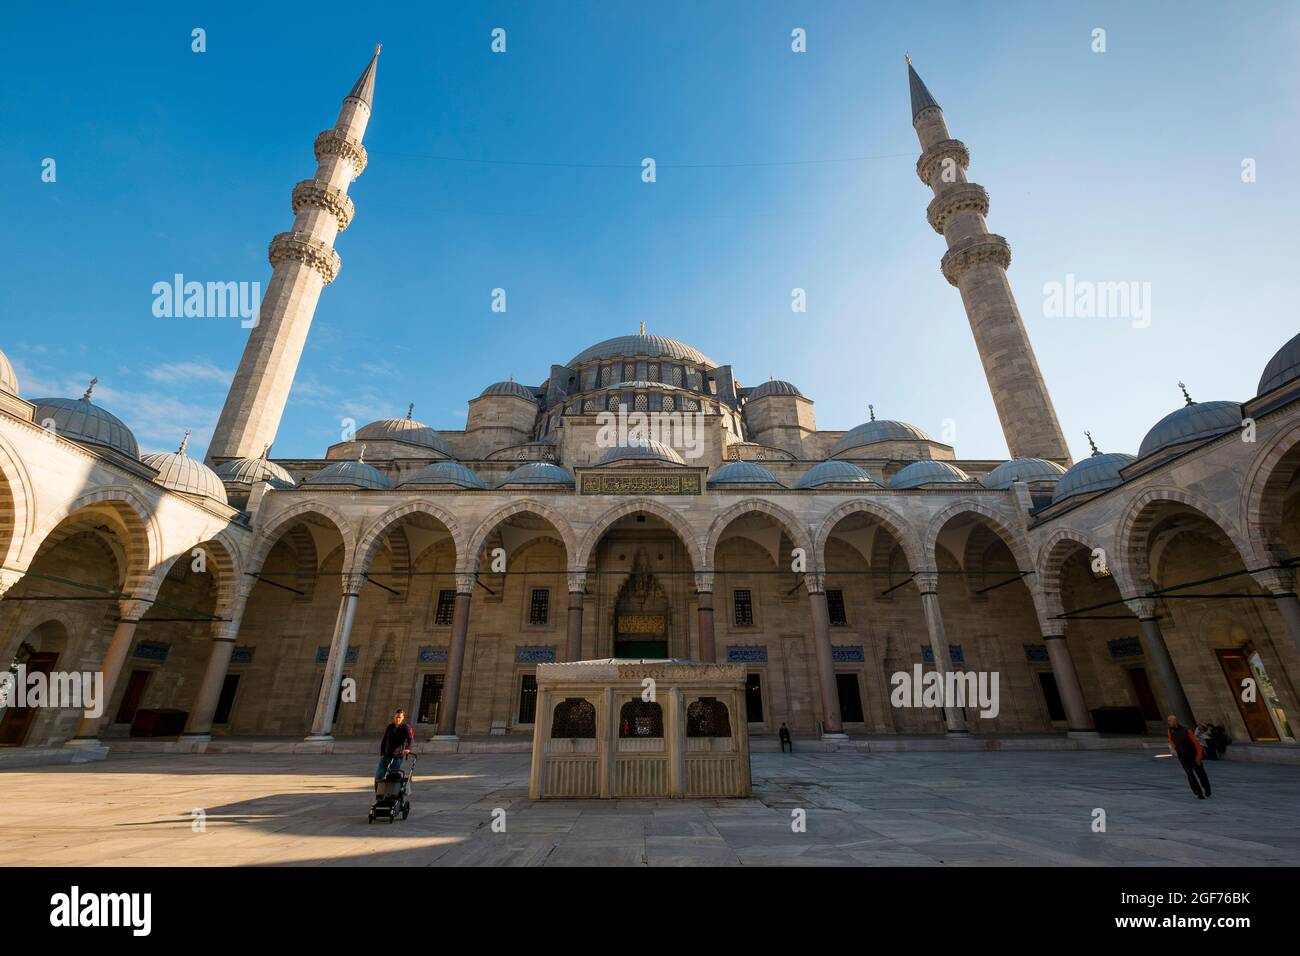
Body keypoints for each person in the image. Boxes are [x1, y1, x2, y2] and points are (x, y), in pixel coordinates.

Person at [1167, 714, 1211, 799]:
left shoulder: (1186, 730)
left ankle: (1207, 788)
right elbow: (1171, 740)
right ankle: (1198, 792)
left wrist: (1199, 756)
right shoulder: (1170, 730)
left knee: (1201, 774)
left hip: (1193, 755)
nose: (1169, 722)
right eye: (1168, 721)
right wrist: (1175, 749)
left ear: (1175, 721)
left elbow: (1196, 743)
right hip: (1183, 756)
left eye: (1170, 720)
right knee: (1190, 774)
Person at [376, 708, 414, 787]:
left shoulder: (405, 727)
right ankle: (378, 793)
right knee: (379, 776)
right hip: (386, 755)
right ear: (394, 717)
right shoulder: (390, 727)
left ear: (403, 718)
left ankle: (391, 794)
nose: (398, 719)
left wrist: (408, 748)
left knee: (392, 776)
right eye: (396, 717)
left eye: (399, 717)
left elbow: (410, 739)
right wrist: (382, 753)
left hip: (397, 756)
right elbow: (384, 740)